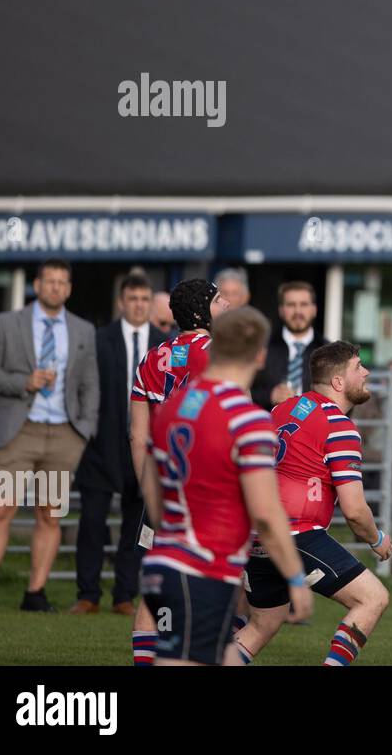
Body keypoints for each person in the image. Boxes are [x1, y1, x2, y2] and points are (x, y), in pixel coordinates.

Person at [138, 307, 311, 665]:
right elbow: (265, 512)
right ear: (260, 354)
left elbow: (152, 491)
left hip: (164, 561)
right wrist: (294, 576)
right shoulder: (247, 418)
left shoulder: (173, 407)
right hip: (202, 569)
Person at [236, 341, 392, 665]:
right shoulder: (340, 427)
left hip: (255, 536)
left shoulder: (282, 409)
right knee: (373, 598)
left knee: (263, 622)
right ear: (338, 382)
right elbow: (354, 510)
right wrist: (377, 539)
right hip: (296, 535)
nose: (365, 372)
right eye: (358, 367)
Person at [0, 258, 99, 613]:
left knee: (49, 515)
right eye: (49, 281)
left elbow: (90, 384)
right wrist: (22, 382)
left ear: (69, 288)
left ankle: (35, 593)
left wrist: (84, 429)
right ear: (37, 285)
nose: (56, 287)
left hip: (62, 436)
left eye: (62, 282)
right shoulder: (7, 323)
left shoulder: (82, 330)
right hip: (17, 432)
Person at [127, 277, 230, 663]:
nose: (228, 306)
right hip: (206, 488)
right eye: (221, 300)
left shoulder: (152, 358)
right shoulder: (222, 353)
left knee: (156, 588)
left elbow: (137, 437)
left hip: (161, 486)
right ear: (203, 310)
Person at [71, 273, 165, 615]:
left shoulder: (163, 343)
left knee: (134, 526)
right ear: (121, 302)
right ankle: (88, 594)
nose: (139, 304)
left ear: (151, 303)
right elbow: (79, 387)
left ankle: (124, 596)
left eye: (144, 298)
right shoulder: (98, 339)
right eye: (133, 298)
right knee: (92, 523)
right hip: (100, 446)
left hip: (144, 447)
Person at [251, 281, 323, 410]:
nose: (298, 311)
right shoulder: (261, 348)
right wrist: (269, 396)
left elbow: (342, 398)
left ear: (314, 309)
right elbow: (243, 391)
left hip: (316, 427)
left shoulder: (327, 351)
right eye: (291, 305)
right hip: (269, 425)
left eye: (304, 304)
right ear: (281, 310)